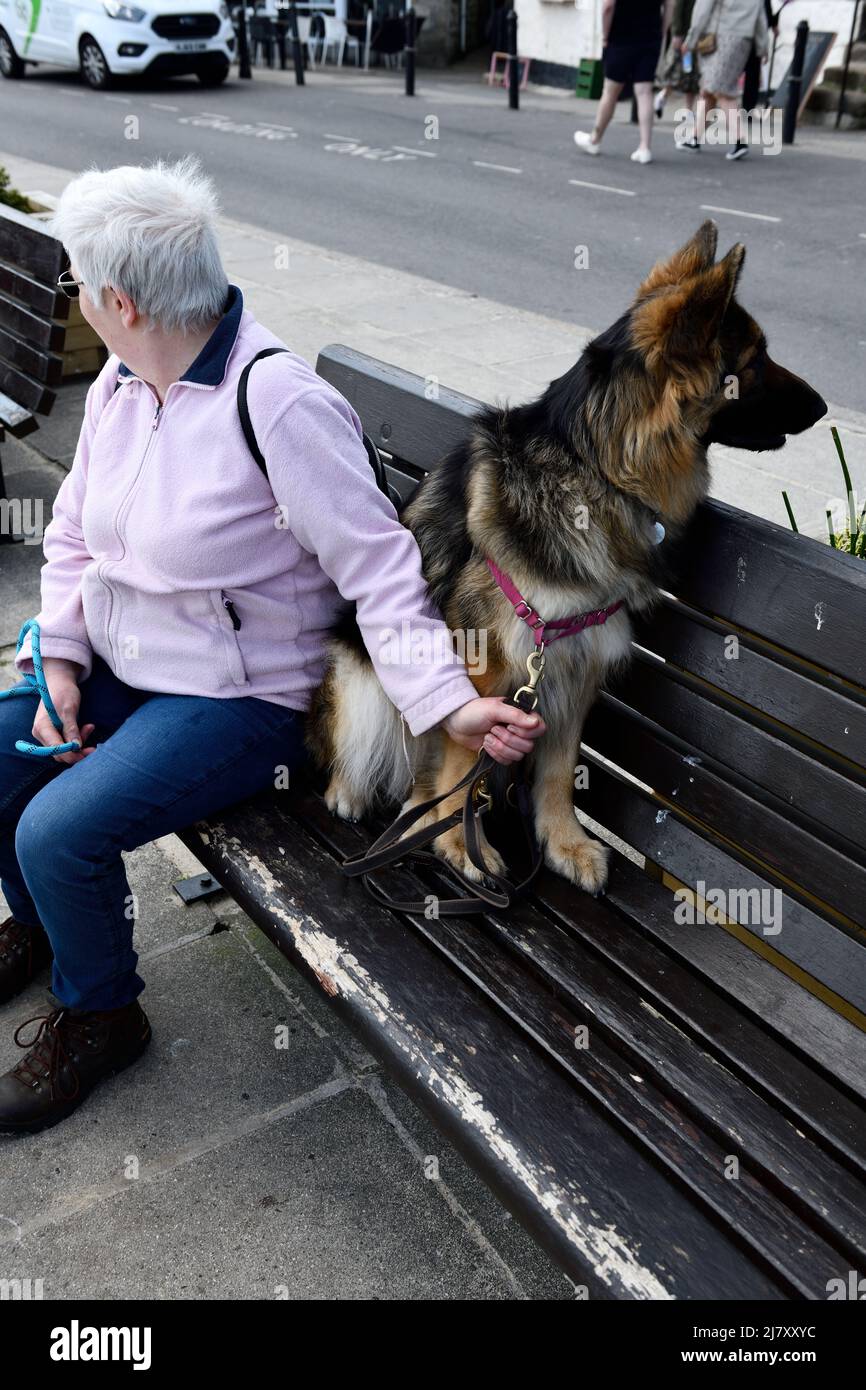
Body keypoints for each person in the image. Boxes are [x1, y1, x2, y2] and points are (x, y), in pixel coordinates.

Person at [0, 158, 547, 1135]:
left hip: (243, 699)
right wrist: (64, 665)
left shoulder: (279, 405)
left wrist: (446, 699)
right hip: (130, 660)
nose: (73, 300)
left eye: (75, 284)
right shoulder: (129, 383)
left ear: (119, 301)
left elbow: (380, 568)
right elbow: (76, 536)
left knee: (58, 827)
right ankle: (43, 926)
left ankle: (101, 1012)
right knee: (2, 753)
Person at [574, 0, 674, 165]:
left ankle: (595, 140)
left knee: (611, 91)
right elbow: (670, 4)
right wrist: (662, 31)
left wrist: (605, 36)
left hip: (621, 37)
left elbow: (608, 7)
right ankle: (645, 147)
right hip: (650, 36)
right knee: (644, 91)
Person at [684, 0, 769, 158]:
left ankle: (739, 141)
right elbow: (760, 19)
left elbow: (702, 11)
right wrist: (762, 46)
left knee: (721, 90)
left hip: (718, 38)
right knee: (710, 89)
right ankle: (694, 138)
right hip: (743, 41)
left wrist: (691, 39)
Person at [654, 0, 702, 150]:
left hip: (695, 36)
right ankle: (662, 96)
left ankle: (688, 111)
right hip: (683, 35)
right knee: (675, 73)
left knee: (691, 76)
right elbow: (676, 9)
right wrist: (676, 33)